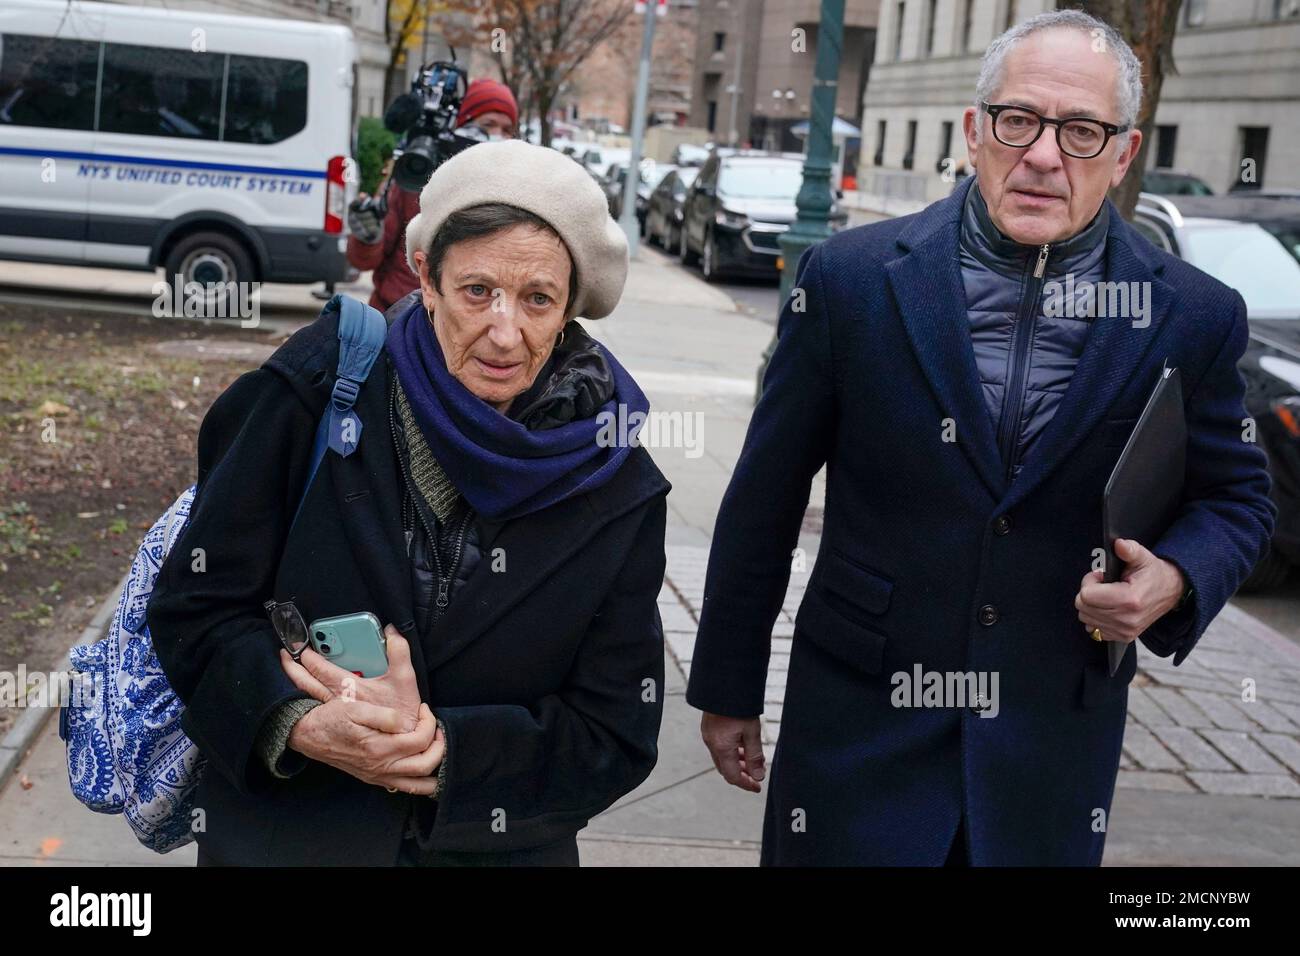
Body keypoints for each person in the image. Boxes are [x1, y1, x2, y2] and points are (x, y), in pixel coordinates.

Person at [686, 9, 1275, 866]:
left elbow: (1237, 497)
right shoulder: (850, 281)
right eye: (1018, 120)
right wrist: (729, 686)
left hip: (1048, 757)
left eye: (1081, 132)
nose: (1043, 155)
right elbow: (764, 498)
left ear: (1123, 154)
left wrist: (1177, 579)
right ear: (973, 130)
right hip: (858, 733)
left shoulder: (1194, 314)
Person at [147, 139, 670, 866]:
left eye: (538, 299)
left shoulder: (614, 479)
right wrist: (294, 721)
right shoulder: (313, 391)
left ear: (569, 310)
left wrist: (447, 756)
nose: (504, 331)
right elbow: (192, 612)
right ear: (425, 277)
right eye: (477, 290)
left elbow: (617, 729)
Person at [347, 78, 519, 312]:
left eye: (507, 129)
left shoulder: (516, 193)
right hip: (397, 318)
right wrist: (367, 237)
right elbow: (364, 261)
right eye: (488, 124)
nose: (498, 136)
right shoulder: (414, 178)